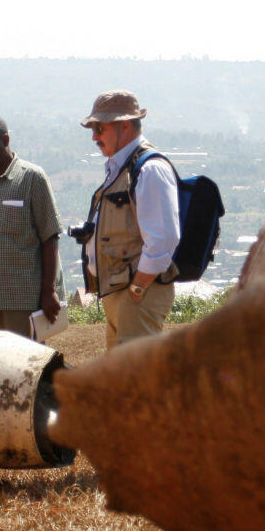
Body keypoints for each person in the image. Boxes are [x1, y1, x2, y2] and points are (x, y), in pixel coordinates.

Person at [78, 90, 180, 349]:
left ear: (125, 125)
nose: (94, 136)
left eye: (100, 128)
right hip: (122, 293)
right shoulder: (122, 167)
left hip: (137, 294)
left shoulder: (149, 169)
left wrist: (136, 290)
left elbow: (163, 240)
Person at [0, 114, 63, 338]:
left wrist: (49, 291)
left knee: (22, 367)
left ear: (5, 140)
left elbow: (50, 236)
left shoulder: (32, 178)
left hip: (19, 301)